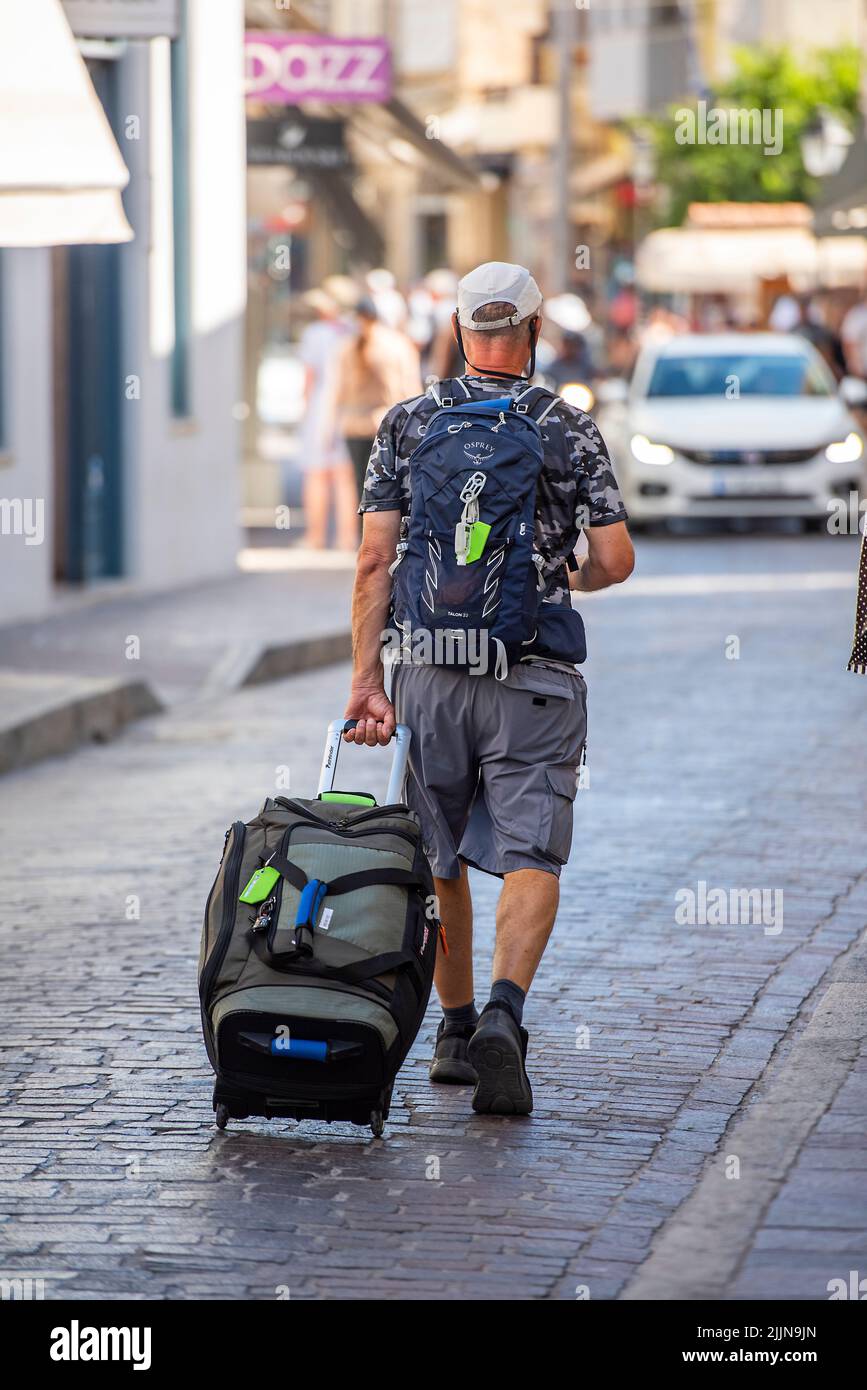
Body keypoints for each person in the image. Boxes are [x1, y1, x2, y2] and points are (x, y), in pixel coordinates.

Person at [343, 262, 634, 1115]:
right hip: (533, 675)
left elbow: (371, 562)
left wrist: (368, 679)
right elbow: (614, 559)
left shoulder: (406, 425)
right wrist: (557, 576)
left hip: (429, 673)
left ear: (460, 329)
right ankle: (506, 1015)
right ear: (535, 330)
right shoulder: (566, 428)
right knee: (531, 852)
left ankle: (454, 1031)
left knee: (439, 856)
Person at [334, 297, 422, 498]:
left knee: (361, 490)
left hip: (355, 424)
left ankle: (362, 530)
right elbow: (412, 390)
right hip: (389, 423)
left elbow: (339, 391)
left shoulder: (348, 345)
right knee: (391, 490)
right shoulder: (399, 345)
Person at [296, 289, 358, 551]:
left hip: (323, 404)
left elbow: (309, 377)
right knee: (346, 475)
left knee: (317, 473)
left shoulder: (315, 334)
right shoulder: (354, 331)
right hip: (350, 403)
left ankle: (316, 535)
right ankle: (347, 537)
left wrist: (305, 407)